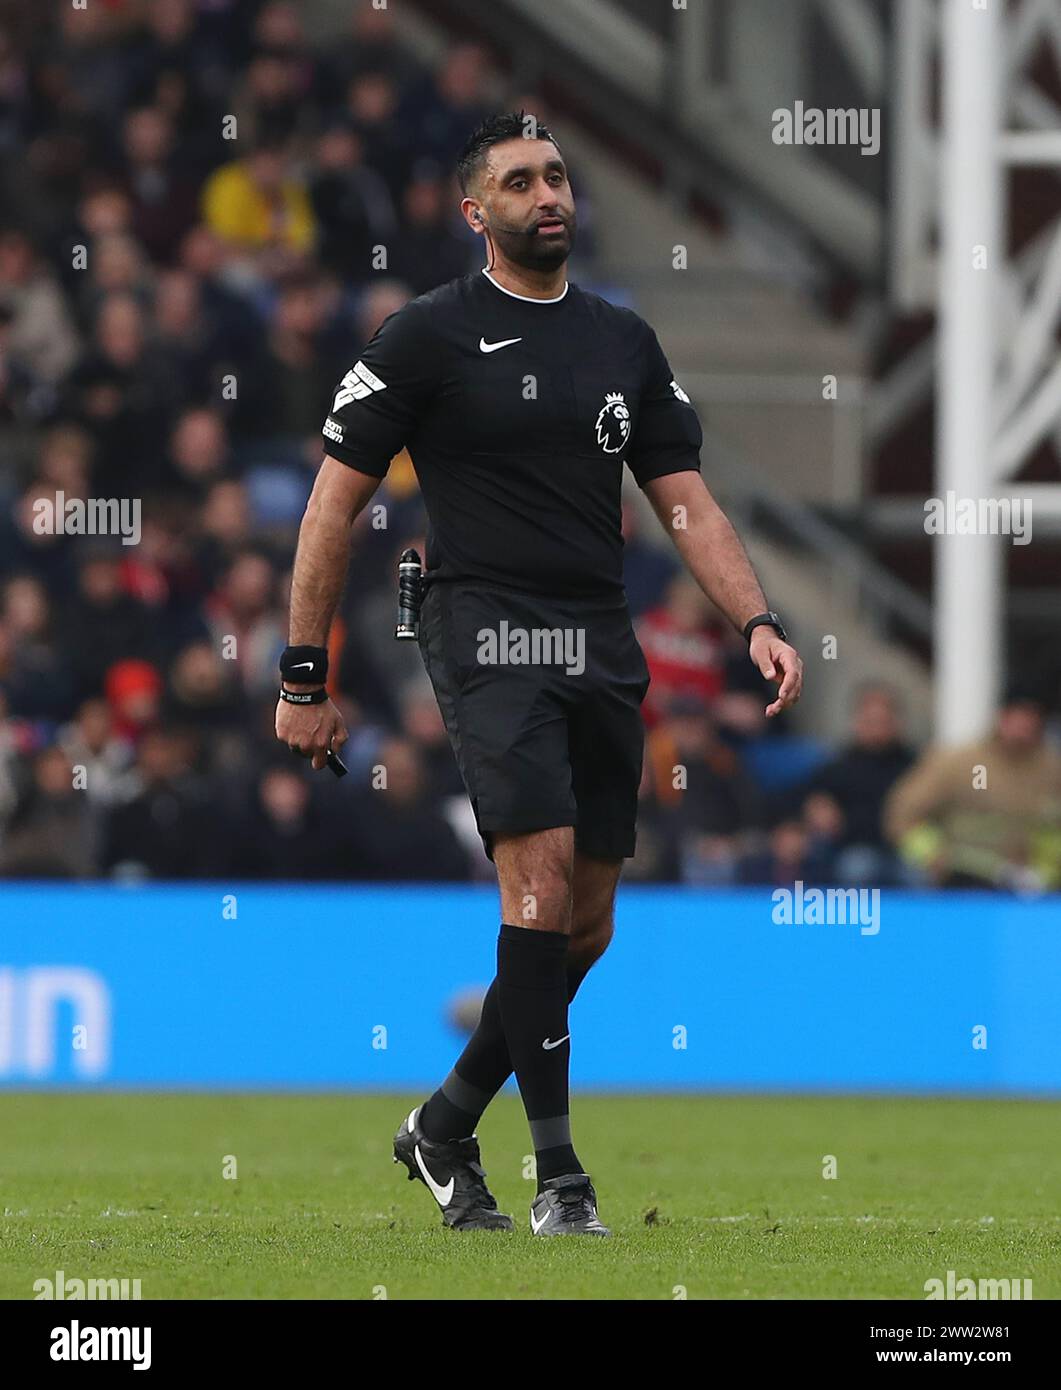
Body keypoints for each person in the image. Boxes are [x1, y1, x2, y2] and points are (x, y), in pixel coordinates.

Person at [274, 113, 803, 1237]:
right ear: (476, 213)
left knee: (586, 927)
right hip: (483, 630)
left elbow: (686, 503)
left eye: (557, 174)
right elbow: (332, 501)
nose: (547, 193)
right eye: (518, 181)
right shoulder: (420, 338)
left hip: (597, 636)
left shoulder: (622, 341)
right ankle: (562, 1181)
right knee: (540, 881)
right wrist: (302, 674)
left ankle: (443, 1120)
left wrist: (753, 616)